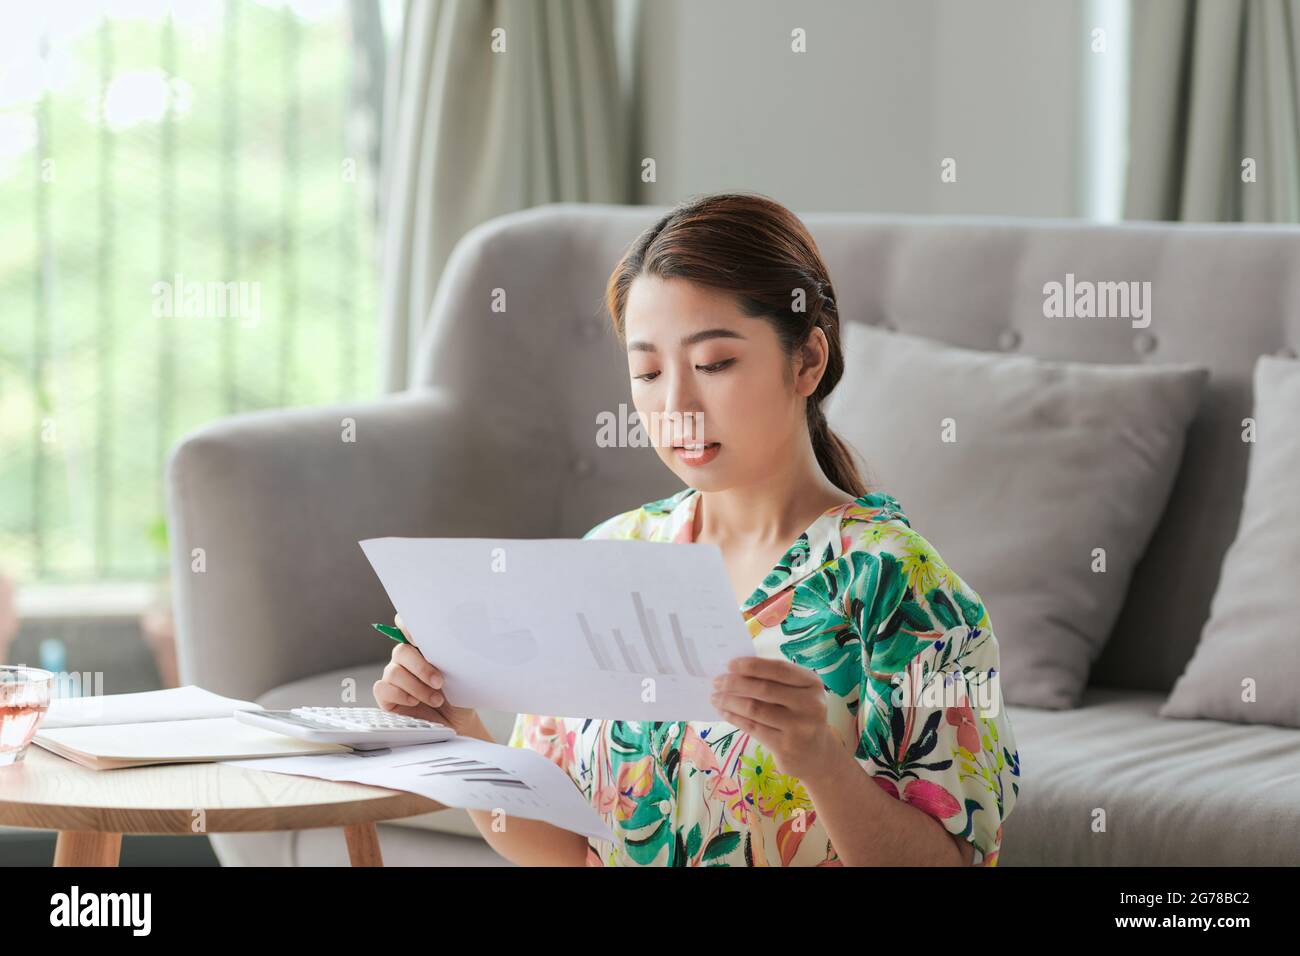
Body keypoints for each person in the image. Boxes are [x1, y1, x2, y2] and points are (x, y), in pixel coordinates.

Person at [374, 192, 1020, 866]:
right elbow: (562, 852)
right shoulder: (610, 558)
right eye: (648, 372)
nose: (676, 405)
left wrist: (819, 761)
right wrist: (457, 729)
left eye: (713, 364)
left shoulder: (900, 585)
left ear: (807, 361)